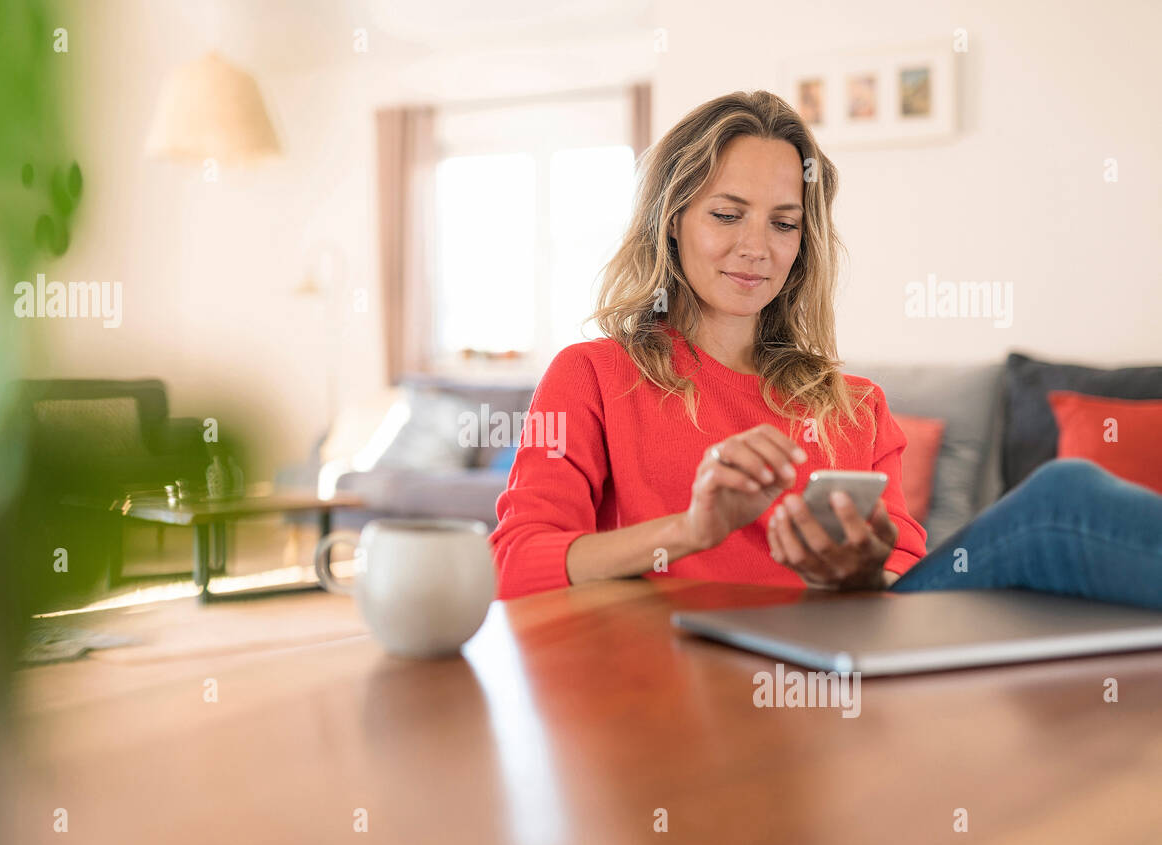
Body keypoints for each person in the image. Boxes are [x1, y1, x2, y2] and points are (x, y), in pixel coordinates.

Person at [488, 90, 1162, 611]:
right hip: (695, 661)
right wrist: (691, 531)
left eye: (784, 223)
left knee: (1067, 508)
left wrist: (864, 570)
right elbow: (516, 563)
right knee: (1064, 498)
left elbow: (903, 571)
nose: (758, 246)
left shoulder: (856, 404)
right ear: (671, 222)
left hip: (848, 648)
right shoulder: (594, 376)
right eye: (727, 213)